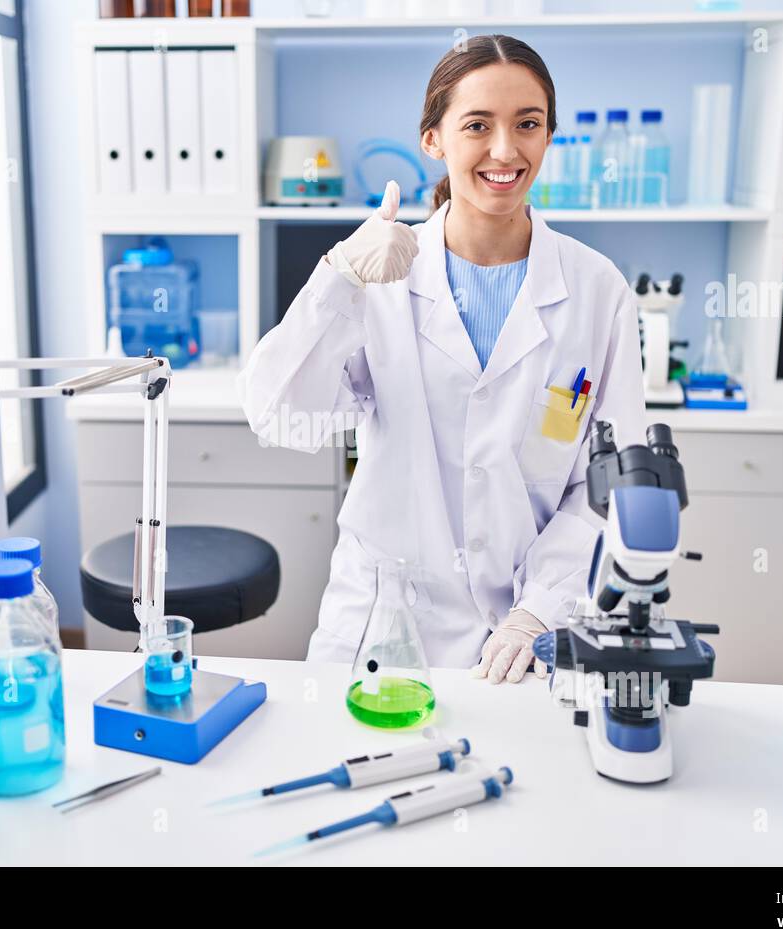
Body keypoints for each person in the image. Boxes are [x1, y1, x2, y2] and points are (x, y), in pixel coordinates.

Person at [238, 35, 646, 683]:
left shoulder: (597, 290)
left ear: (549, 137)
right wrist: (337, 278)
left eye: (528, 125)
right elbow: (280, 413)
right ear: (434, 139)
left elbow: (613, 483)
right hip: (386, 624)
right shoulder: (381, 275)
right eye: (477, 125)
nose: (505, 150)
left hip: (527, 633)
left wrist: (538, 610)